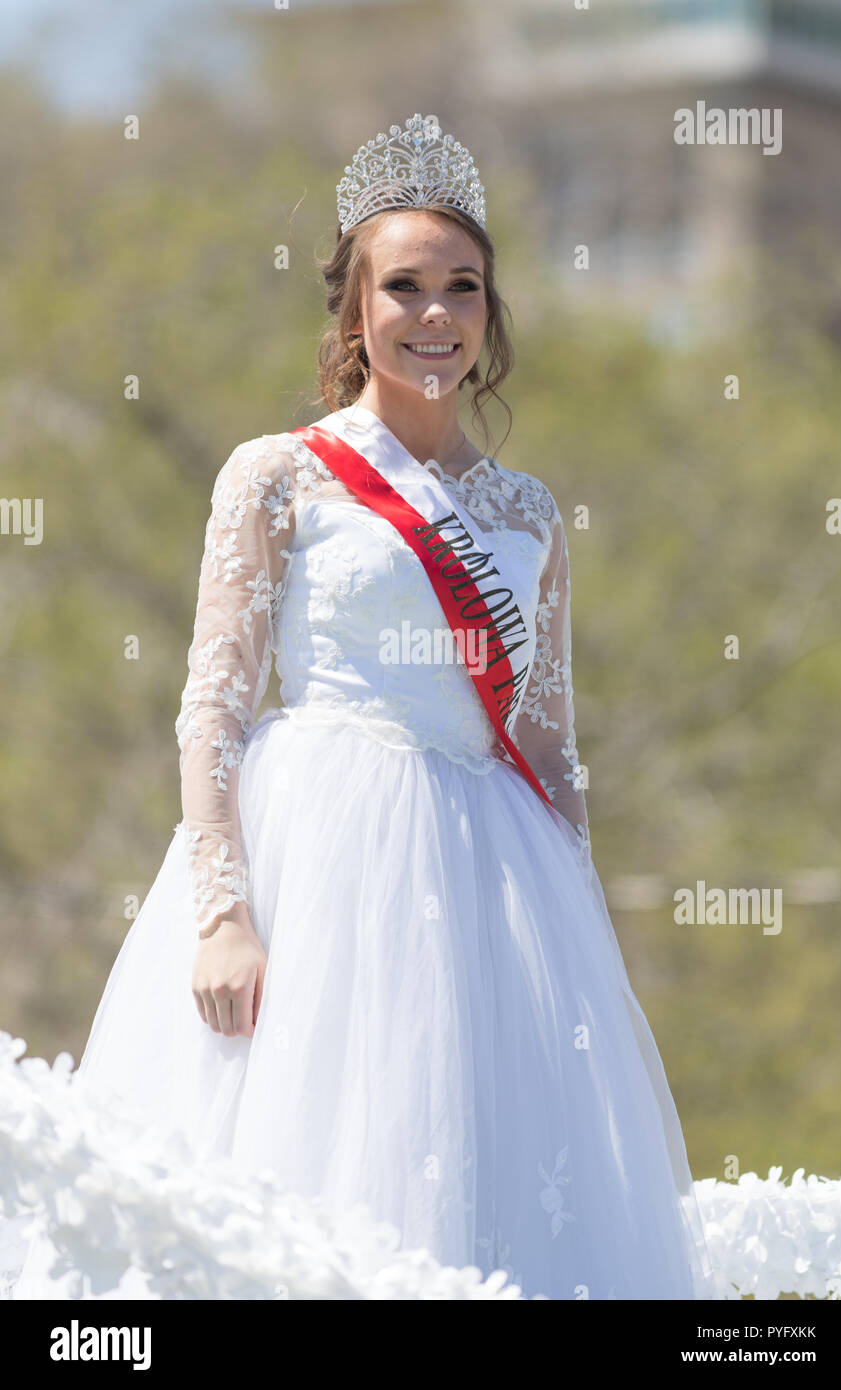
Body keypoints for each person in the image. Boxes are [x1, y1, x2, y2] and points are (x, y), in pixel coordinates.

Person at [4, 114, 717, 1300]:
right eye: (403, 287)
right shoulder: (277, 475)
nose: (433, 314)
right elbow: (211, 710)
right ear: (351, 310)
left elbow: (547, 743)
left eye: (461, 287)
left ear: (490, 311)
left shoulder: (531, 517)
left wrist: (579, 936)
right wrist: (223, 913)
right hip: (318, 851)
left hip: (495, 879)